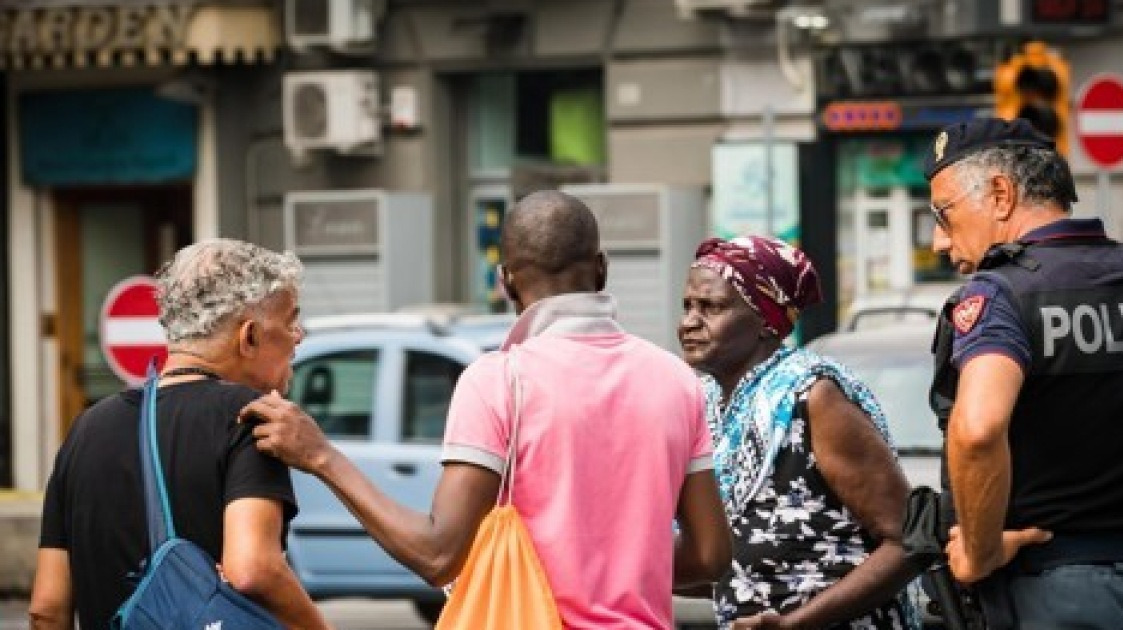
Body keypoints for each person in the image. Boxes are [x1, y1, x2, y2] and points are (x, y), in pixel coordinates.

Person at [241, 190, 733, 628]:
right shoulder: (676, 379)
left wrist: (322, 456)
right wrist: (623, 561)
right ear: (601, 269)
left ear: (505, 281)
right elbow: (711, 555)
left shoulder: (498, 380)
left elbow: (437, 556)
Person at [923, 117, 1123, 628]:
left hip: (1048, 591)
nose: (941, 241)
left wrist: (980, 553)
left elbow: (979, 430)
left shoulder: (1001, 295)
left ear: (1001, 194)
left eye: (945, 214)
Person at [28, 239, 330, 630]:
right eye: (290, 322)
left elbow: (47, 608)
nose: (298, 336)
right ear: (249, 337)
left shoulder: (86, 429)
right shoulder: (252, 418)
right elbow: (254, 568)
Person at [677, 235, 919, 630]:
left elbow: (907, 541)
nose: (689, 321)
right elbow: (728, 559)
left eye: (712, 307)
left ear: (765, 320)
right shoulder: (704, 403)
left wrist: (797, 624)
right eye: (687, 306)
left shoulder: (814, 397)